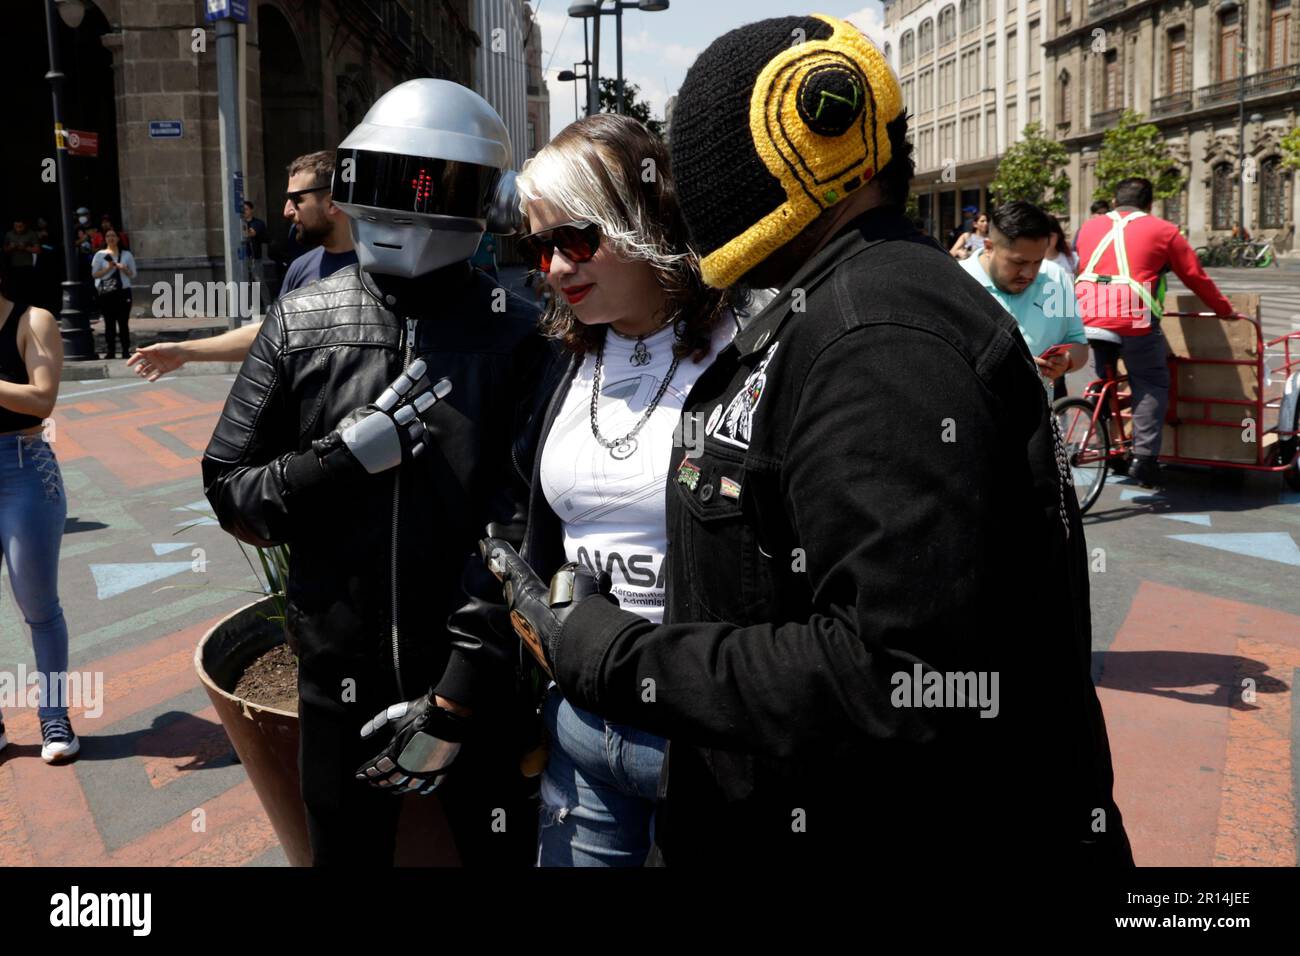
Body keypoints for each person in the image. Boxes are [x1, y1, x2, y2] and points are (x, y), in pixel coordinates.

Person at [483, 13, 1133, 868]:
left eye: (701, 157)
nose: (693, 194)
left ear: (798, 144)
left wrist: (614, 655)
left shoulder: (880, 329)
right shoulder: (831, 305)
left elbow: (897, 672)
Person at [203, 78, 544, 867]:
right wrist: (337, 462)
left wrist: (456, 696)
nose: (405, 213)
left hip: (478, 691)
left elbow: (523, 525)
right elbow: (232, 489)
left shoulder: (520, 336)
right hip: (336, 684)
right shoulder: (302, 318)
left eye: (430, 187)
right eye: (385, 186)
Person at [511, 113, 742, 866]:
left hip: (700, 737)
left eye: (575, 240)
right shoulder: (562, 356)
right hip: (578, 724)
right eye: (539, 246)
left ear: (642, 222)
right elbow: (534, 535)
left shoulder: (749, 349)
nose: (553, 267)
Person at [127, 151, 358, 381]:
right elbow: (272, 335)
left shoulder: (382, 269)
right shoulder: (301, 268)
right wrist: (185, 352)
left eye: (297, 200)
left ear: (331, 203)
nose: (286, 211)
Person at [1074, 176, 1234, 487]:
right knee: (1150, 382)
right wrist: (1224, 310)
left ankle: (1109, 442)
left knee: (1104, 379)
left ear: (1115, 199)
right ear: (1150, 204)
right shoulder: (1163, 230)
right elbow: (1194, 277)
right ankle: (1145, 459)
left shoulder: (1088, 227)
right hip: (1133, 316)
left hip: (1086, 312)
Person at [0, 288, 76, 763]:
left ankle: (54, 718)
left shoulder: (33, 321)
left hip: (23, 469)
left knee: (38, 605)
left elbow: (42, 399)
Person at [960, 201, 1088, 395]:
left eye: (1037, 261)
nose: (1028, 273)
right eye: (1018, 262)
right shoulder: (958, 282)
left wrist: (1066, 362)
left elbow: (1079, 345)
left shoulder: (1056, 278)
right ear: (989, 247)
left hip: (1040, 418)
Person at [90, 229, 137, 359]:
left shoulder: (126, 254)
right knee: (109, 323)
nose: (110, 238)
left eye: (113, 235)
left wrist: (124, 268)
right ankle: (110, 351)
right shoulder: (100, 255)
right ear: (105, 239)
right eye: (108, 236)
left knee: (123, 323)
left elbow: (133, 274)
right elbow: (94, 274)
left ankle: (125, 350)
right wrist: (109, 268)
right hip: (106, 293)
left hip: (123, 292)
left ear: (118, 238)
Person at [241, 200, 269, 311]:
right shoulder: (240, 222)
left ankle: (267, 305)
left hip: (254, 257)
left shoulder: (257, 223)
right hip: (243, 257)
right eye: (243, 210)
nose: (244, 212)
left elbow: (252, 233)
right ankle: (250, 306)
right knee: (246, 283)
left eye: (246, 209)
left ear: (251, 210)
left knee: (259, 281)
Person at [4, 220, 40, 303]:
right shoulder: (9, 234)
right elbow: (4, 250)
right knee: (15, 288)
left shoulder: (31, 234)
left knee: (27, 287)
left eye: (20, 227)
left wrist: (26, 248)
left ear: (25, 225)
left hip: (27, 265)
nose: (18, 229)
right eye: (16, 226)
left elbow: (38, 250)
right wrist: (11, 247)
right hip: (13, 265)